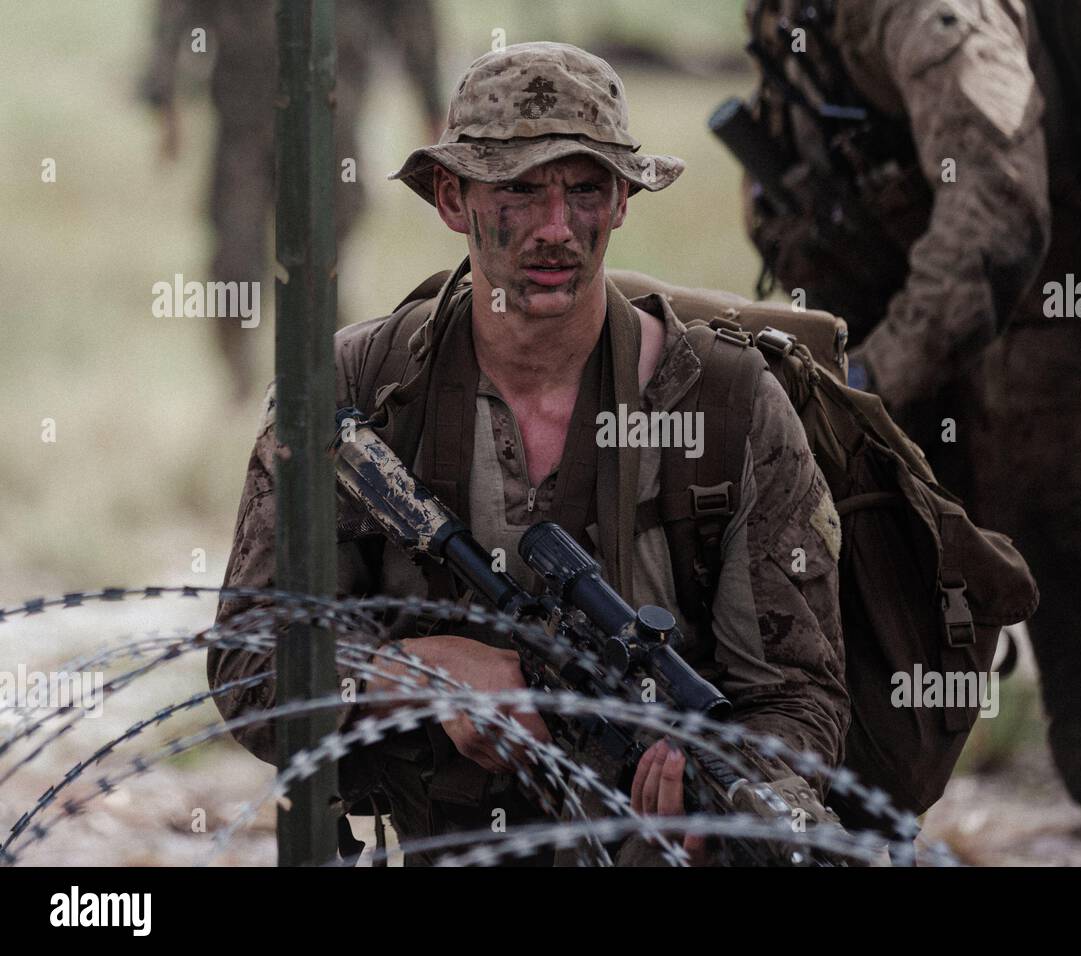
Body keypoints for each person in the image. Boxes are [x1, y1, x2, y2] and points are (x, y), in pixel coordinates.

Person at [210, 41, 849, 865]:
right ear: (451, 197)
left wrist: (722, 797)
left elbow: (797, 694)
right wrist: (419, 670)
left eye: (585, 189)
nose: (556, 230)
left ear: (622, 201)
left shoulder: (725, 403)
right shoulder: (356, 391)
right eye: (518, 188)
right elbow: (247, 666)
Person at [739, 0, 1081, 864]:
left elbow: (998, 204)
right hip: (968, 387)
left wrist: (861, 385)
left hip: (1060, 401)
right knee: (871, 698)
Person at [140, 0, 446, 398]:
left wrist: (432, 101)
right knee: (234, 257)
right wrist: (164, 94)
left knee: (324, 259)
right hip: (242, 114)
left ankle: (333, 381)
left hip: (333, 112)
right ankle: (239, 386)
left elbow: (409, 13)